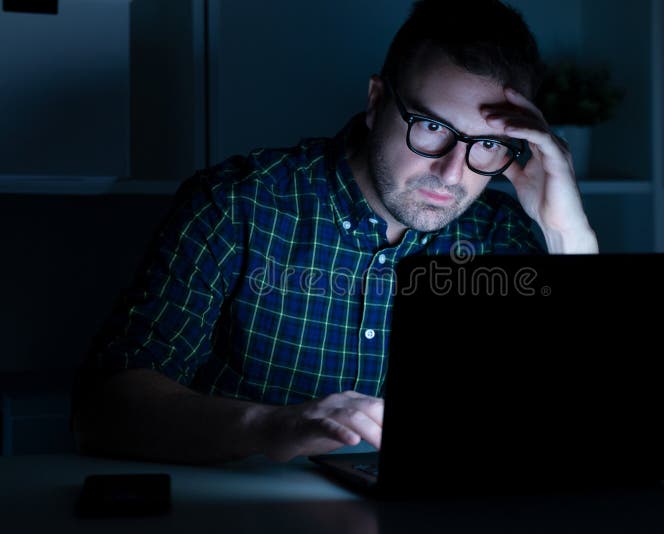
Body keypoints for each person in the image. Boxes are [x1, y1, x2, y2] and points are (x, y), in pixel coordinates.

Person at [71, 0, 598, 464]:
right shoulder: (238, 205)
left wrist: (566, 234)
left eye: (487, 144)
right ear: (375, 101)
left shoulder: (502, 235)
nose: (452, 174)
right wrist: (268, 426)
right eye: (433, 127)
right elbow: (103, 408)